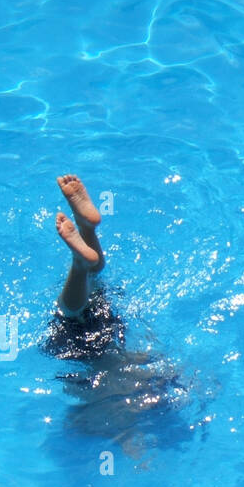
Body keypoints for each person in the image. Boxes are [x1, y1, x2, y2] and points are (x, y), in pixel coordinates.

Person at [45, 174, 195, 458]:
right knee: (70, 312)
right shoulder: (125, 417)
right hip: (86, 354)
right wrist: (139, 459)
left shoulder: (149, 375)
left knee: (95, 286)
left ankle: (88, 230)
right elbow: (125, 440)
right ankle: (79, 260)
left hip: (115, 333)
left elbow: (184, 373)